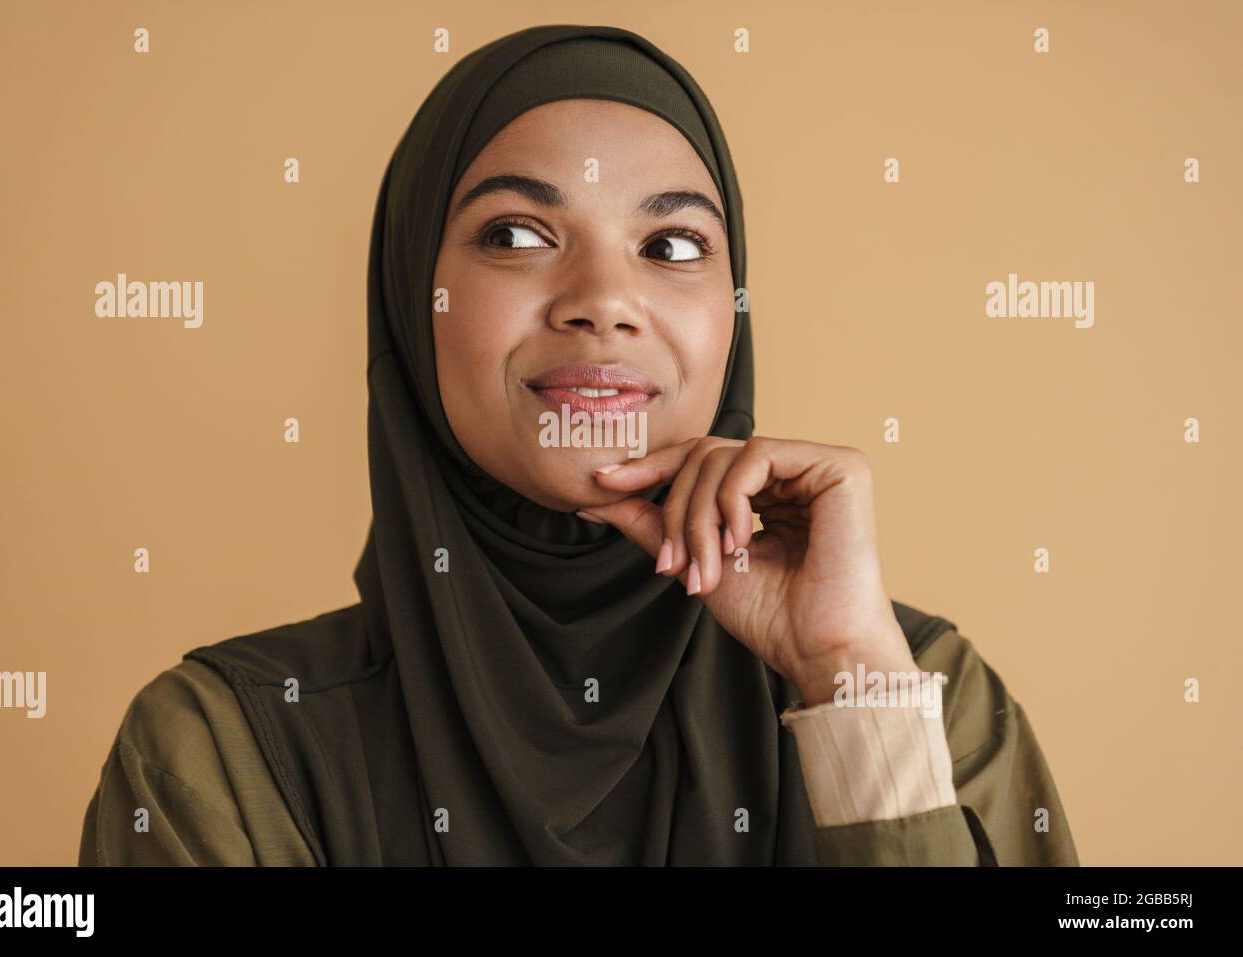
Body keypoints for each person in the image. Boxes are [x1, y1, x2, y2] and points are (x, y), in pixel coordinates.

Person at [78, 24, 1078, 866]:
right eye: (515, 235)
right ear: (409, 299)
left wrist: (849, 680)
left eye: (672, 246)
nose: (604, 301)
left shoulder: (919, 694)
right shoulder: (224, 745)